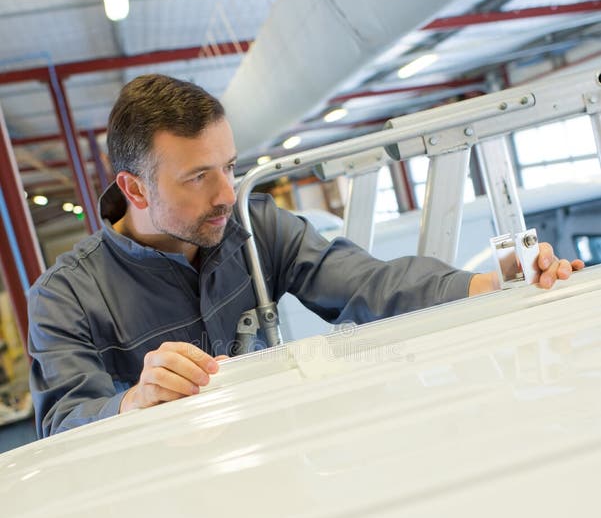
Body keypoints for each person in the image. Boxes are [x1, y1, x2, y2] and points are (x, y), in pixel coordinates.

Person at [28, 74, 584, 437]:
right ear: (136, 189)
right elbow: (61, 420)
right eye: (198, 176)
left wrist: (495, 285)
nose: (226, 193)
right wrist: (132, 402)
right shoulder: (65, 298)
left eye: (229, 166)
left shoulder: (251, 225)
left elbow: (370, 284)